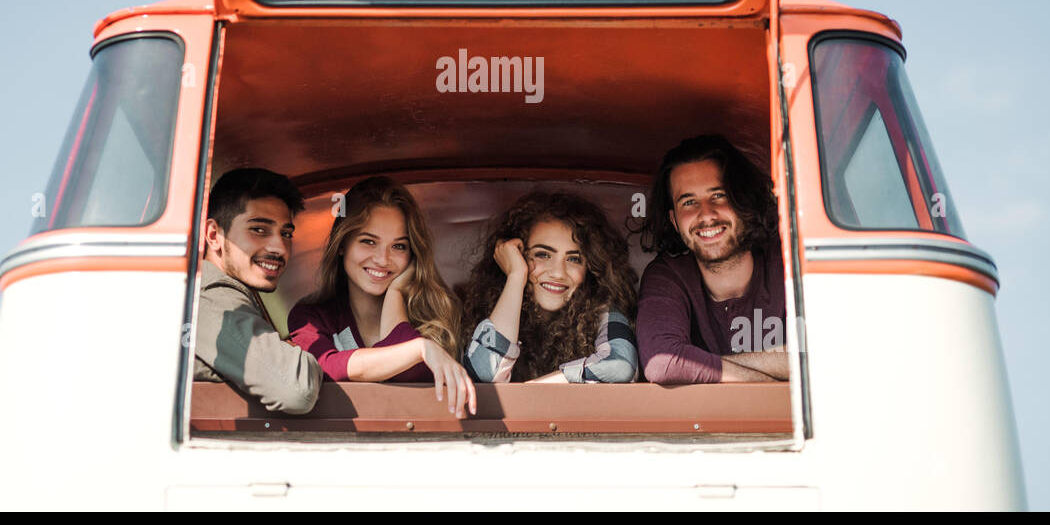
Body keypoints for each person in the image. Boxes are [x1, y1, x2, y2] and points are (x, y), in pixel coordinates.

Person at [287, 177, 476, 417]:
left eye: (399, 246)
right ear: (343, 243)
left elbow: (405, 373)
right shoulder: (312, 316)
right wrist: (418, 349)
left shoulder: (438, 312)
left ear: (413, 253)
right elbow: (323, 367)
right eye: (368, 241)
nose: (383, 259)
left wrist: (396, 293)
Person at [634, 135, 789, 383]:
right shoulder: (668, 273)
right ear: (674, 221)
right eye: (689, 202)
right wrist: (772, 377)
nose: (706, 214)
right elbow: (662, 362)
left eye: (718, 196)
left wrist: (696, 361)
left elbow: (824, 356)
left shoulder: (787, 258)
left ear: (743, 202)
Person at [461, 191, 638, 383]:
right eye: (542, 254)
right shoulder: (490, 307)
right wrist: (516, 276)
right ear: (517, 256)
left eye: (574, 259)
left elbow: (620, 366)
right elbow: (485, 372)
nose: (558, 273)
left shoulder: (601, 307)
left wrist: (540, 386)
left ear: (591, 267)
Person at [192, 168, 323, 413]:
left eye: (286, 234)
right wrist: (300, 355)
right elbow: (295, 390)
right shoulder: (208, 296)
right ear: (214, 235)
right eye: (259, 230)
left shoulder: (237, 295)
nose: (279, 248)